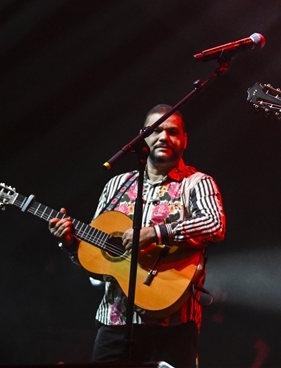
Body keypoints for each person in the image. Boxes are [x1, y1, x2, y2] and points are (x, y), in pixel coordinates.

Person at [49, 105, 225, 367]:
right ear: (143, 136)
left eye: (172, 132)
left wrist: (155, 233)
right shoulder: (117, 186)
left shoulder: (197, 183)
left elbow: (215, 225)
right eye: (156, 130)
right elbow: (97, 257)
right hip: (117, 319)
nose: (164, 137)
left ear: (185, 139)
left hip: (174, 323)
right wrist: (71, 244)